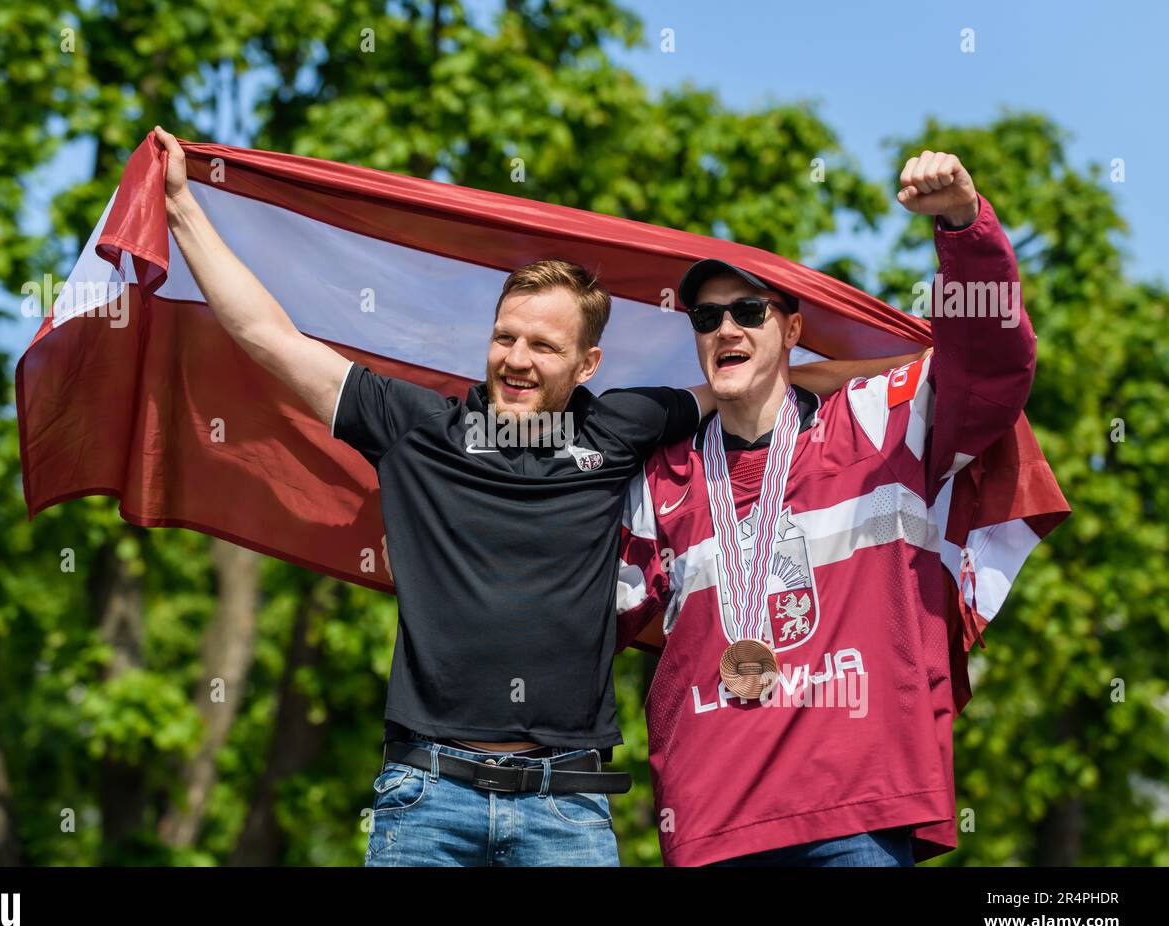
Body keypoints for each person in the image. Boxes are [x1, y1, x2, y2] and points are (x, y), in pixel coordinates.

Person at [152, 125, 916, 867]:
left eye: (543, 345)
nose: (516, 359)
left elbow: (764, 380)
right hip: (426, 796)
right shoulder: (417, 427)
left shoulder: (620, 426)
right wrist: (183, 206)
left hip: (567, 807)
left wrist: (920, 361)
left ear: (587, 364)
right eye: (505, 337)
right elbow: (270, 337)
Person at [616, 151, 1034, 866]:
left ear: (792, 330)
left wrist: (964, 229)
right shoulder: (666, 475)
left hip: (857, 813)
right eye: (707, 317)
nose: (726, 329)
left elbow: (990, 369)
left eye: (749, 311)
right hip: (714, 821)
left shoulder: (880, 421)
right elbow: (579, 616)